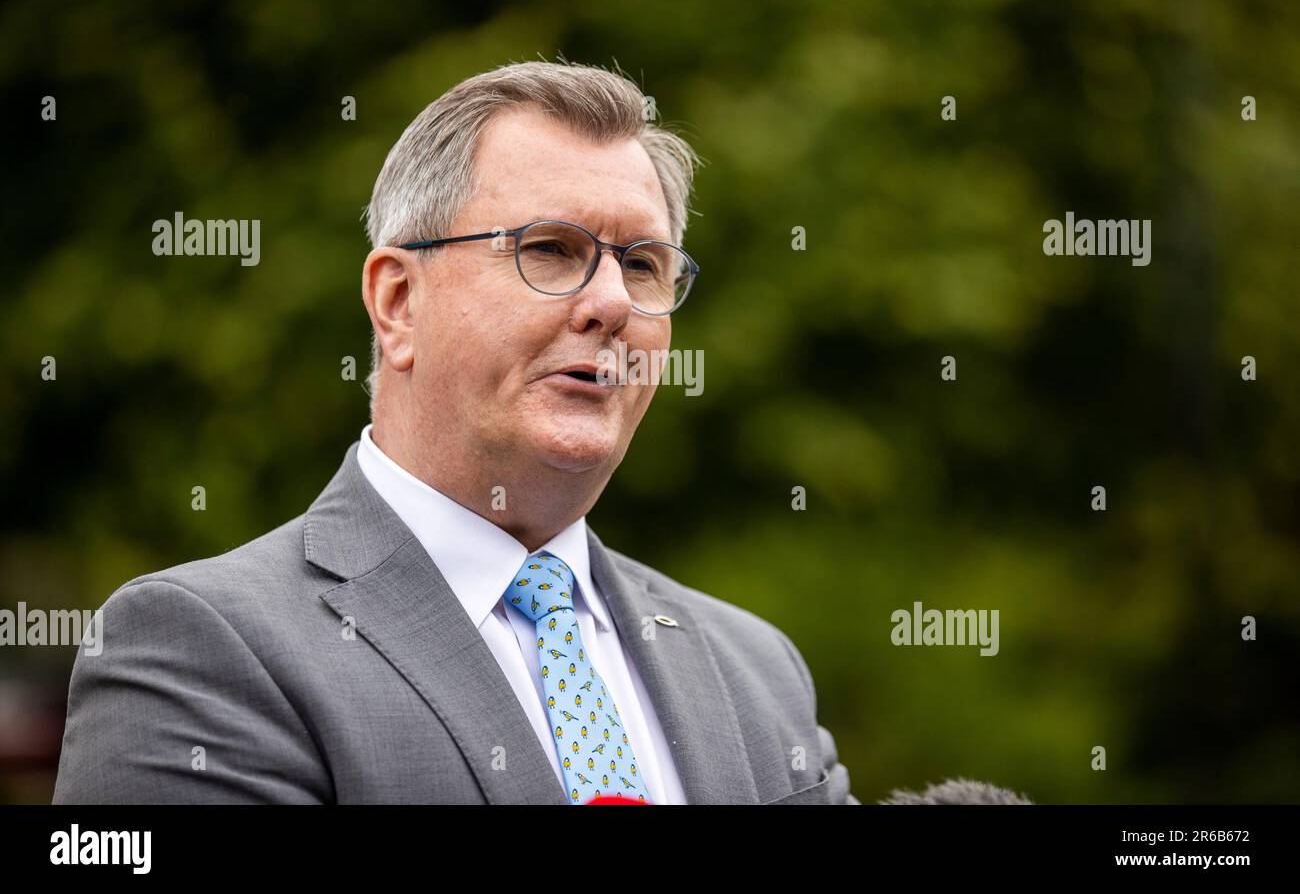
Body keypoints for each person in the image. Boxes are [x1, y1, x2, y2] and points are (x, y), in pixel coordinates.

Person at [53, 60, 857, 804]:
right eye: (551, 249)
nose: (612, 303)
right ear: (399, 302)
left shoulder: (757, 668)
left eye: (644, 264)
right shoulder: (201, 649)